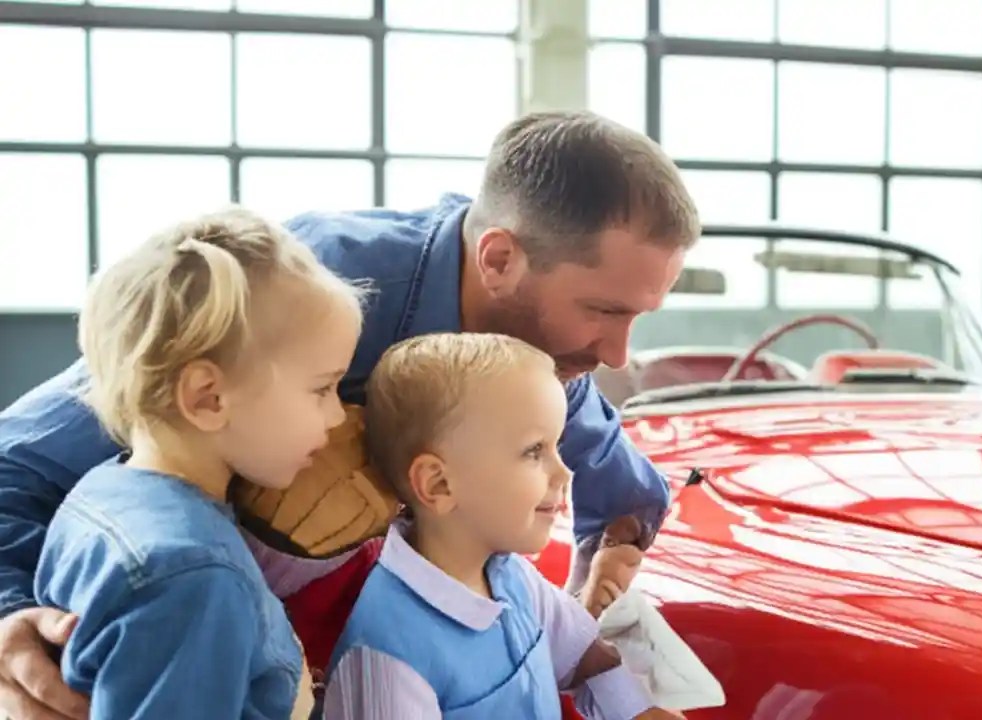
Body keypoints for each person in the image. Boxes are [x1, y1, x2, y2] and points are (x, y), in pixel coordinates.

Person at [0, 110, 700, 719]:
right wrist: (10, 621)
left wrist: (603, 569)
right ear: (499, 258)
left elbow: (623, 490)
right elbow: (16, 465)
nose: (616, 353)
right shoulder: (295, 293)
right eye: (604, 311)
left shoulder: (547, 350)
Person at [34, 207, 365, 718]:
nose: (337, 415)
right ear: (208, 397)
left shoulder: (103, 490)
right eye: (322, 388)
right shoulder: (193, 577)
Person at [323, 333, 677, 719]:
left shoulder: (511, 577)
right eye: (533, 451)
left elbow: (589, 658)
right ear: (438, 484)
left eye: (557, 446)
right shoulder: (387, 652)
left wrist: (642, 711)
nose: (563, 472)